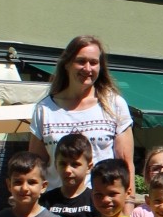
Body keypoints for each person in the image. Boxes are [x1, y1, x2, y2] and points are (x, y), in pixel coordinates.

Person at [28, 35, 134, 193]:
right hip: (56, 206)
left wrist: (128, 205)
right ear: (67, 64)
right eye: (81, 61)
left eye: (94, 62)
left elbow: (125, 164)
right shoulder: (45, 109)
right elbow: (36, 165)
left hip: (101, 205)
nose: (88, 68)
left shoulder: (114, 105)